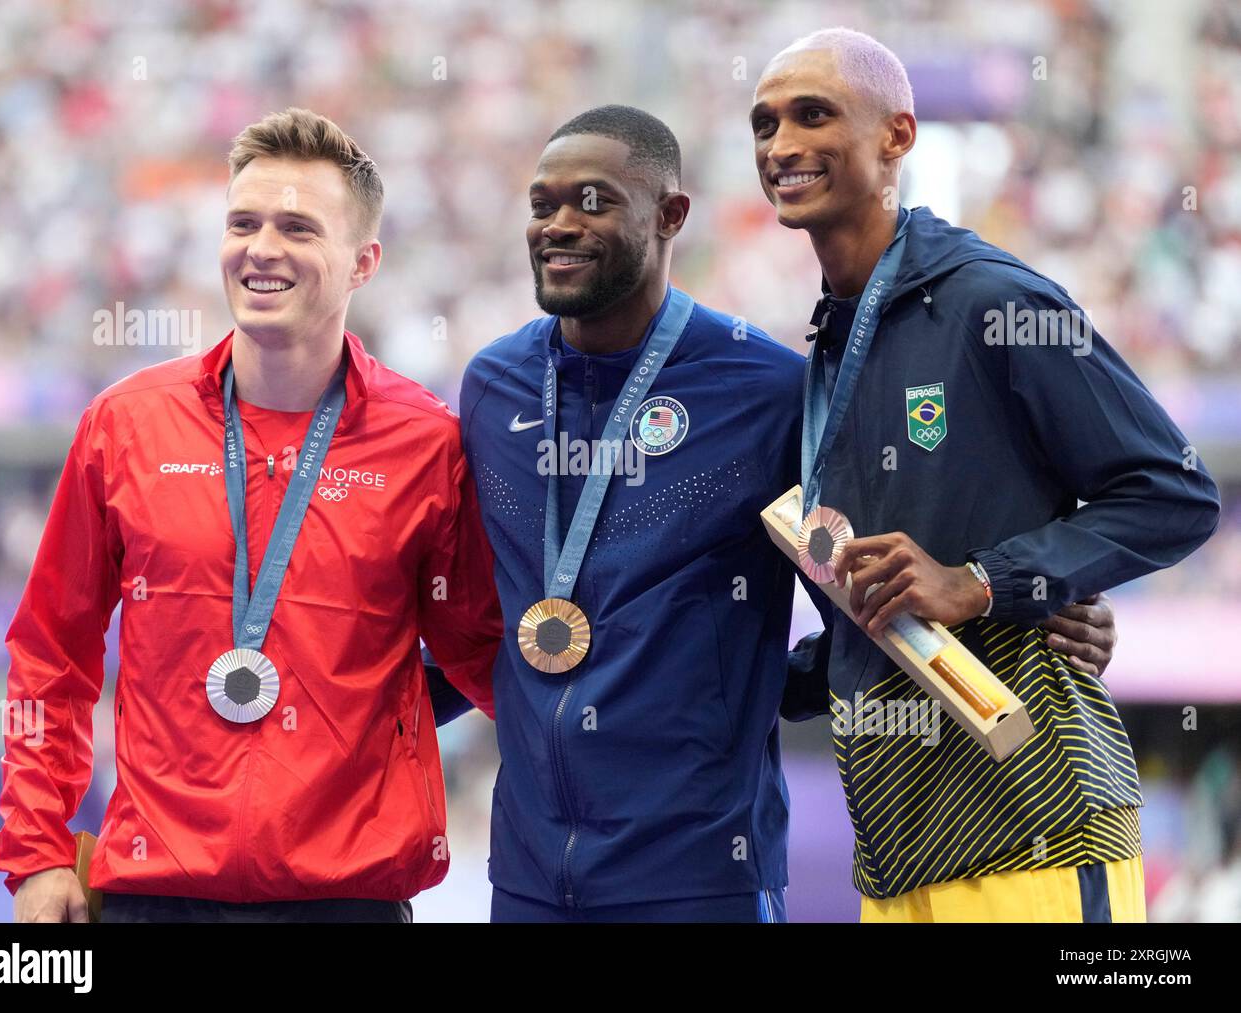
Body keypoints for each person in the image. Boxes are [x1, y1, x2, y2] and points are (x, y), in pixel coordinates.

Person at [453, 105, 1119, 922]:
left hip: (702, 877)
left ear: (671, 217)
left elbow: (875, 578)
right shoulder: (492, 385)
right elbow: (468, 615)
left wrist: (1038, 592)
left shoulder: (765, 390)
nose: (558, 224)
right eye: (541, 203)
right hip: (525, 877)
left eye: (591, 201)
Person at [0, 108, 502, 923]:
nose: (262, 247)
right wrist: (39, 851)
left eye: (298, 226)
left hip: (348, 902)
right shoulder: (126, 423)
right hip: (153, 897)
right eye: (243, 222)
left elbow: (483, 655)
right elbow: (51, 649)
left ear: (363, 261)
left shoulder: (426, 443)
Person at [755, 29, 1220, 922]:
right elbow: (885, 625)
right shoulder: (828, 348)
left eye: (813, 115)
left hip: (1036, 831)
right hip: (897, 852)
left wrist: (982, 583)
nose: (780, 146)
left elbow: (1176, 492)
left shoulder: (991, 298)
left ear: (897, 135)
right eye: (764, 123)